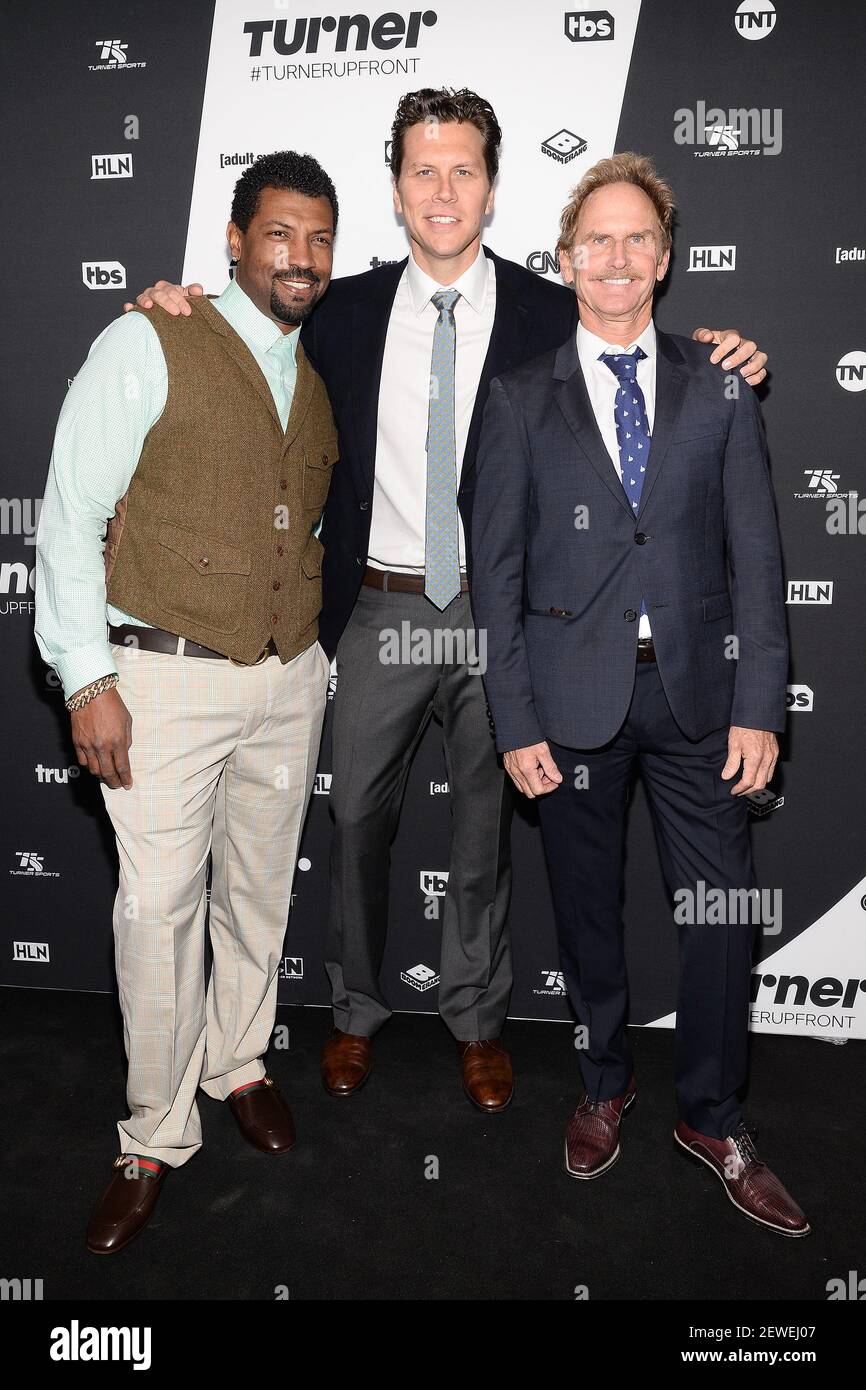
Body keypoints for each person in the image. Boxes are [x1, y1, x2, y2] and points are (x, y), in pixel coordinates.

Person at [130, 89, 768, 1114]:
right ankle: (353, 1010)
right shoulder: (339, 310)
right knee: (353, 823)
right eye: (422, 169)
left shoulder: (550, 307)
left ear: (490, 185)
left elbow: (643, 351)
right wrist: (175, 306)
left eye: (462, 168)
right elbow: (247, 333)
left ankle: (476, 1021)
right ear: (395, 189)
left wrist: (726, 351)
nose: (442, 189)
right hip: (377, 606)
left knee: (484, 831)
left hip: (505, 619)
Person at [470, 152, 808, 1235]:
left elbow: (758, 556)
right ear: (567, 259)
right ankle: (603, 1084)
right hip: (569, 704)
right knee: (586, 914)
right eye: (597, 239)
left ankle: (712, 1116)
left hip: (702, 699)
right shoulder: (517, 398)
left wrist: (761, 703)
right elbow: (496, 574)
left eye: (637, 239)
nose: (616, 257)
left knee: (720, 918)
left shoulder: (720, 383)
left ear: (663, 260)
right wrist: (513, 718)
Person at [34, 151, 339, 1254]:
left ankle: (237, 1060)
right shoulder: (147, 338)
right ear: (234, 240)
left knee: (257, 893)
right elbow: (71, 514)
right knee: (159, 912)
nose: (299, 256)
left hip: (287, 676)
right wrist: (88, 678)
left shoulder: (314, 374)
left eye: (318, 239)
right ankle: (154, 1133)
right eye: (278, 233)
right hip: (158, 677)